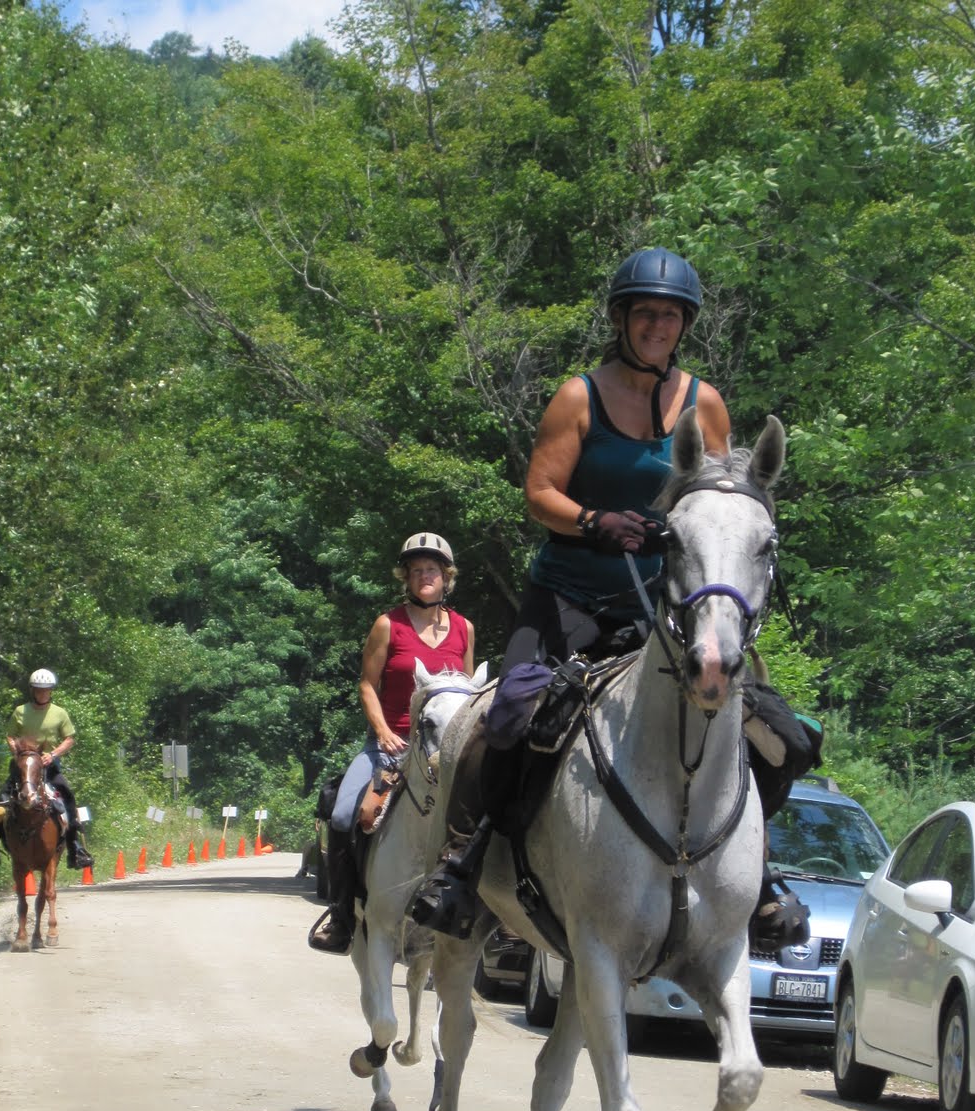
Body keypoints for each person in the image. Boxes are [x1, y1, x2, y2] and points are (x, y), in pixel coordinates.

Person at [411, 246, 812, 949]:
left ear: (683, 325)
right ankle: (462, 861)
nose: (658, 325)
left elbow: (719, 497)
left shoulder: (704, 402)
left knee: (772, 732)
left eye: (671, 315)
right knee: (510, 714)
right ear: (622, 319)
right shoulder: (579, 396)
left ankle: (760, 874)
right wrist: (596, 522)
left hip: (665, 603)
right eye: (646, 312)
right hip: (568, 592)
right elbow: (539, 494)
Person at [307, 533, 476, 953]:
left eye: (432, 570)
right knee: (346, 813)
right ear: (406, 577)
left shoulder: (464, 629)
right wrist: (382, 730)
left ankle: (479, 915)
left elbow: (468, 691)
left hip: (444, 753)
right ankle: (344, 916)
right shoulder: (388, 624)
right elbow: (367, 683)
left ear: (446, 577)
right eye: (416, 570)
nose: (424, 576)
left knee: (485, 821)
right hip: (390, 747)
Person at [0, 668, 94, 871]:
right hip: (23, 767)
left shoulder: (59, 713)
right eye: (38, 690)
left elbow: (69, 738)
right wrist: (17, 752)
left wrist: (53, 754)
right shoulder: (20, 711)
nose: (42, 693)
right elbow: (10, 735)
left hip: (49, 766)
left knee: (69, 801)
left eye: (45, 690)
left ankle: (75, 849)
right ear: (32, 690)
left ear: (51, 690)